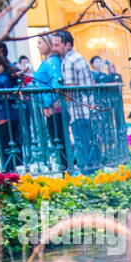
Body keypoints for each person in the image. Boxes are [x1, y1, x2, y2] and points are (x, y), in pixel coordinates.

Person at [53, 29, 100, 173]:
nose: (54, 49)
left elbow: (70, 92)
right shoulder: (79, 57)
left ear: (67, 45)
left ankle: (90, 182)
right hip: (88, 109)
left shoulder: (68, 61)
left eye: (57, 45)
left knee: (83, 149)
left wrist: (59, 99)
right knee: (92, 148)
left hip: (79, 112)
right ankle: (98, 178)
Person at [34, 35, 65, 169]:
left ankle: (66, 170)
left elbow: (56, 82)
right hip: (49, 106)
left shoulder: (52, 62)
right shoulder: (48, 62)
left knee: (58, 140)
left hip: (54, 108)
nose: (38, 46)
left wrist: (49, 104)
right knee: (56, 140)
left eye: (40, 43)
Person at [0, 54, 22, 170]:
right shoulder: (9, 78)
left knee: (3, 146)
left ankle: (8, 172)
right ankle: (14, 170)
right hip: (12, 115)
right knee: (12, 144)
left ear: (0, 66)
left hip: (2, 116)